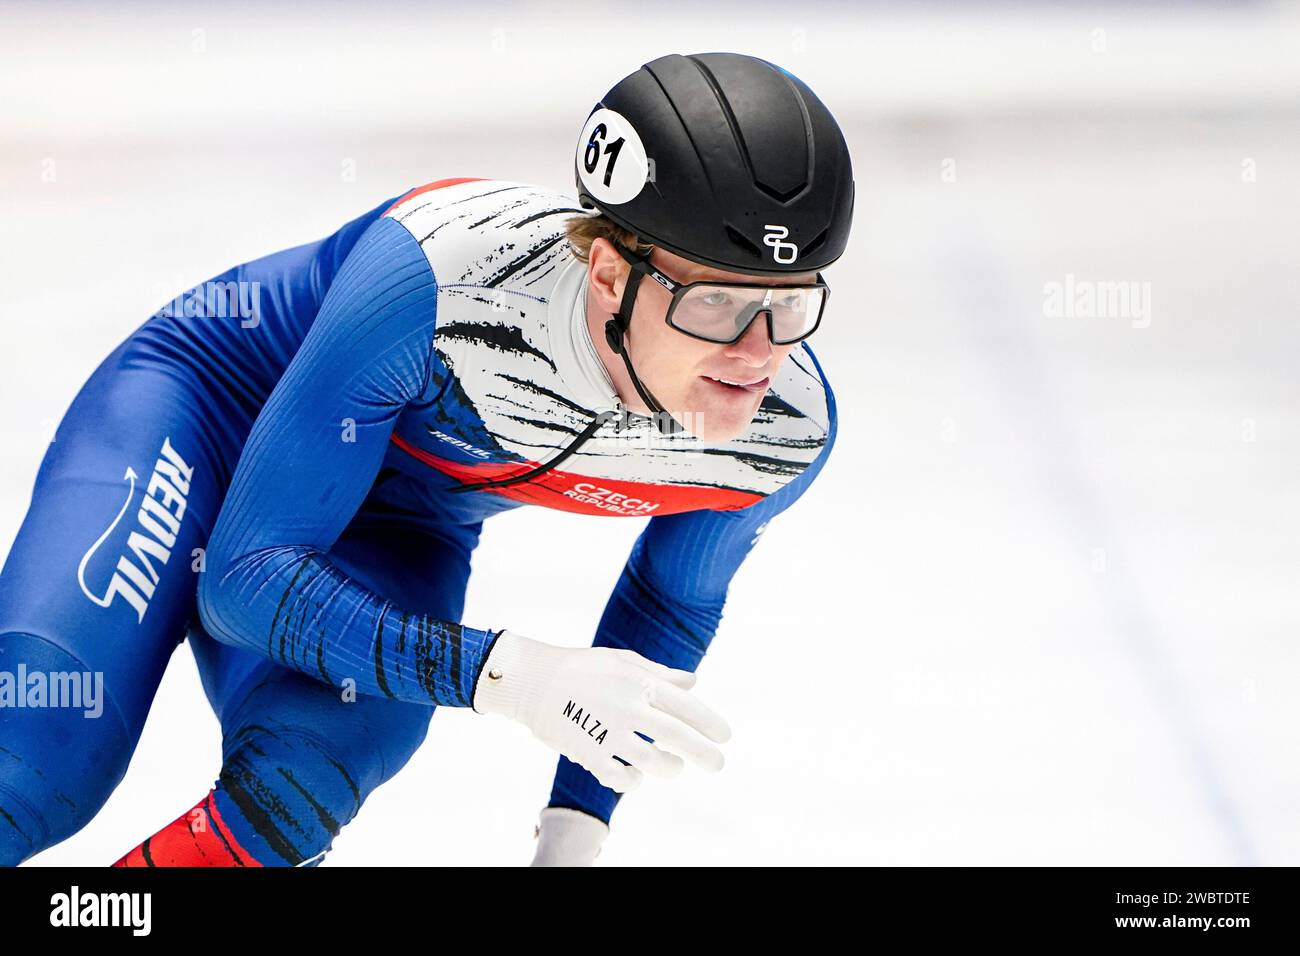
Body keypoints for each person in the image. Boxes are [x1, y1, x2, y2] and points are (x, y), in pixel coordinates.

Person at [0, 51, 853, 867]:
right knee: (37, 759)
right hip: (206, 416)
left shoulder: (776, 431)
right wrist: (510, 675)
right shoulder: (444, 270)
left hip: (395, 518)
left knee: (307, 773)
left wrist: (574, 830)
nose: (756, 353)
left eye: (791, 305)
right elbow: (242, 584)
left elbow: (663, 611)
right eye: (715, 303)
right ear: (605, 275)